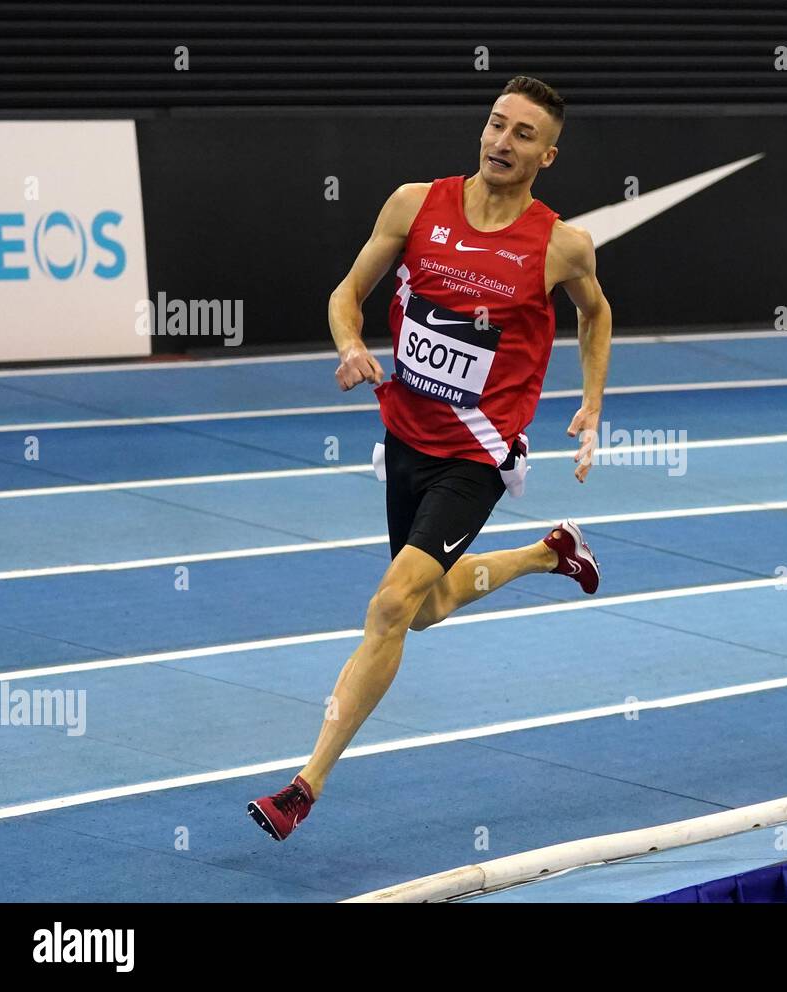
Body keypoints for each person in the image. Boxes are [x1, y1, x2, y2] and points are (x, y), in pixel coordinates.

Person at [249, 76, 612, 840]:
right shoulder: (415, 205)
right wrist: (350, 345)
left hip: (477, 456)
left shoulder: (559, 244)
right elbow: (346, 292)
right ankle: (552, 554)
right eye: (494, 124)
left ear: (547, 154)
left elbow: (596, 311)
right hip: (406, 437)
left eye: (521, 135)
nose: (500, 142)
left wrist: (591, 401)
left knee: (388, 605)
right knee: (428, 608)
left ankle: (304, 786)